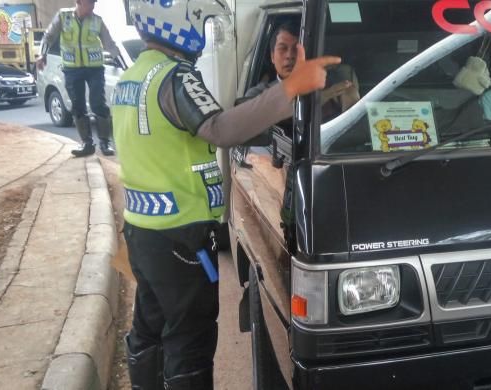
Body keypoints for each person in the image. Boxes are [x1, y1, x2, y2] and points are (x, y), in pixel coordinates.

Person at [112, 0, 339, 388]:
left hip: (141, 230)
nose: (200, 34)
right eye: (198, 22)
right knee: (190, 339)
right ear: (178, 23)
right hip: (181, 236)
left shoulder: (132, 76)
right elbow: (220, 129)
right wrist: (291, 89)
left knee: (149, 329)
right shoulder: (175, 77)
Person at [37, 0, 119, 156]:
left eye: (94, 4)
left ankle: (105, 143)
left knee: (98, 104)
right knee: (78, 105)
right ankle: (87, 144)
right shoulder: (63, 17)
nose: (92, 7)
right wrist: (42, 55)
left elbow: (109, 44)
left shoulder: (97, 20)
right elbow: (48, 37)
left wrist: (121, 61)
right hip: (72, 69)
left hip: (94, 68)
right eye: (89, 4)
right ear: (79, 2)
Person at [245, 21, 359, 120]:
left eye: (296, 49)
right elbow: (254, 120)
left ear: (307, 54)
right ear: (272, 57)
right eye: (282, 48)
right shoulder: (258, 94)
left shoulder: (334, 89)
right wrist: (318, 100)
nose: (289, 55)